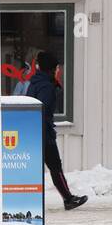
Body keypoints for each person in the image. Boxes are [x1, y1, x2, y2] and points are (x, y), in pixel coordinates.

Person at [25, 51, 87, 211]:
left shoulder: (35, 83)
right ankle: (68, 199)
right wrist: (47, 134)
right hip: (43, 134)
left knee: (35, 167)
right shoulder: (46, 86)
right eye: (57, 67)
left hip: (34, 132)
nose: (59, 70)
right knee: (55, 166)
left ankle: (28, 200)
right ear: (51, 68)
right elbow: (42, 109)